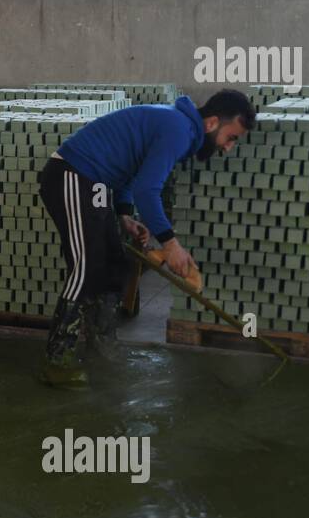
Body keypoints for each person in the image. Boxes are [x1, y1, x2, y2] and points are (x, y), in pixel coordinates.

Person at [37, 89, 256, 387]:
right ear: (212, 123)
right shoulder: (178, 129)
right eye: (231, 137)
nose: (229, 148)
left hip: (96, 183)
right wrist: (170, 244)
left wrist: (125, 213)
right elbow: (148, 190)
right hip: (73, 176)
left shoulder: (178, 128)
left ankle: (102, 346)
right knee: (85, 268)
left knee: (114, 264)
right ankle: (58, 360)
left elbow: (130, 171)